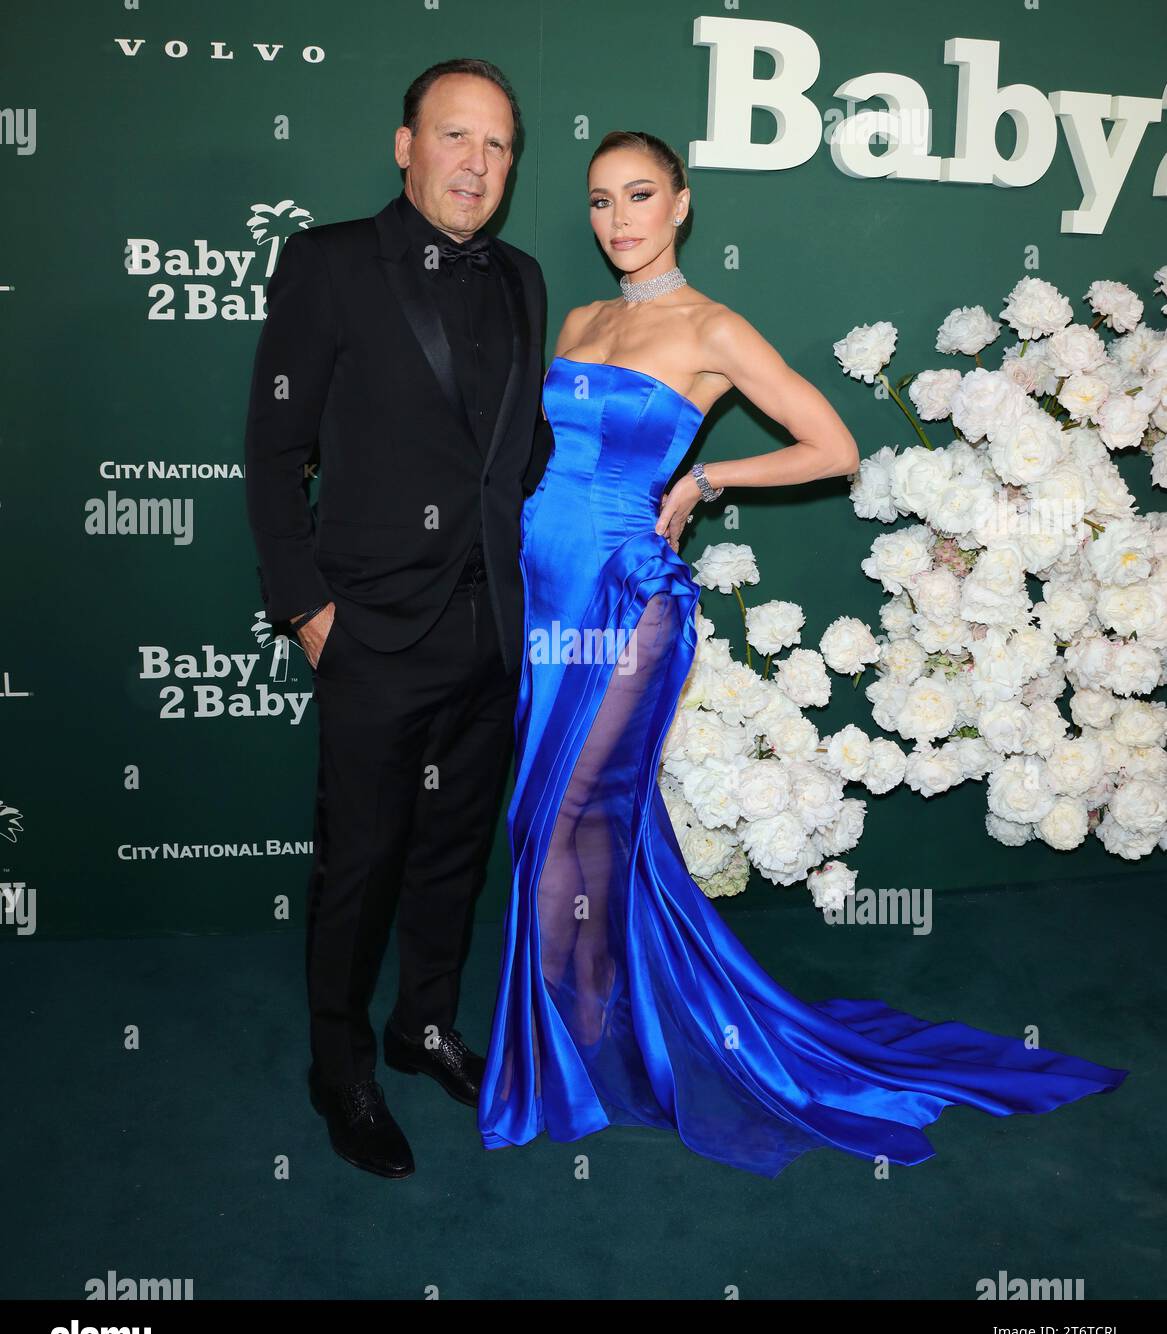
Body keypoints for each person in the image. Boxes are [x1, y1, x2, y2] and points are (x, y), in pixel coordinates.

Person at [476, 130, 1129, 1178]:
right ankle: (591, 1023)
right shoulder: (586, 316)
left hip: (628, 596)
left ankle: (569, 1050)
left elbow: (833, 446)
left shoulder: (713, 325)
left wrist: (705, 481)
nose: (619, 220)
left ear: (682, 204)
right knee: (564, 821)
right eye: (601, 201)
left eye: (640, 196)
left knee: (562, 816)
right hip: (546, 590)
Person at [245, 59, 554, 1179]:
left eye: (499, 146)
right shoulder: (329, 262)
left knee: (451, 854)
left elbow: (515, 444)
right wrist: (306, 608)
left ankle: (423, 1025)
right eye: (456, 137)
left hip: (487, 628)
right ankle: (339, 1068)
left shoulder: (522, 277)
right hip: (370, 630)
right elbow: (275, 451)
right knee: (361, 863)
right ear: (405, 144)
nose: (477, 162)